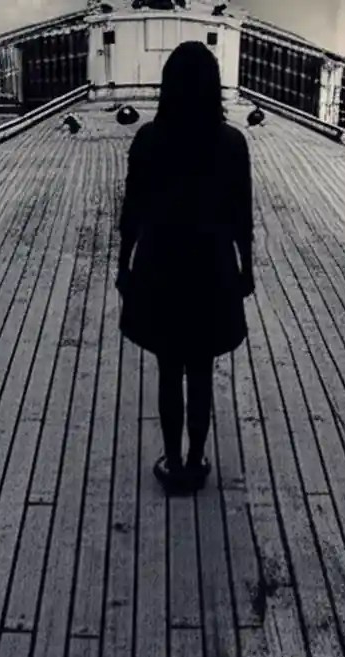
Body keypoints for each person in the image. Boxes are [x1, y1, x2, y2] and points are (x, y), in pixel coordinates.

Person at [116, 41, 255, 492]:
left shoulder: (149, 139)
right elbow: (241, 214)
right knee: (200, 371)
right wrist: (246, 267)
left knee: (169, 367)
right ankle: (196, 461)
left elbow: (132, 211)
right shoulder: (232, 142)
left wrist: (123, 266)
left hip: (160, 265)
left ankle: (173, 462)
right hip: (212, 268)